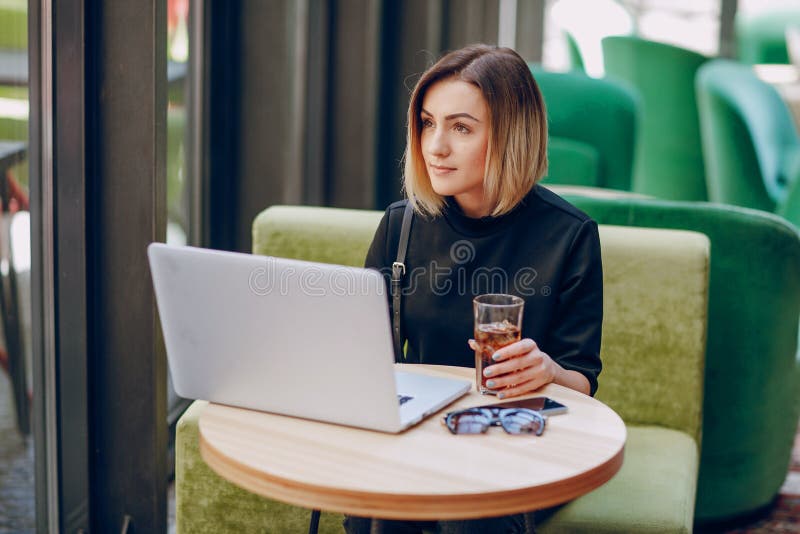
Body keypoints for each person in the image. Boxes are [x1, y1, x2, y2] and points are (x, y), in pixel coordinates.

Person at [345, 44, 603, 534]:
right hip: (415, 436)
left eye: (460, 127)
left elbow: (583, 378)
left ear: (511, 135)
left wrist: (547, 370)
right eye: (427, 122)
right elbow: (365, 356)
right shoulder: (402, 226)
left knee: (467, 517)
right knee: (375, 512)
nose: (435, 145)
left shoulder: (570, 236)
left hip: (513, 439)